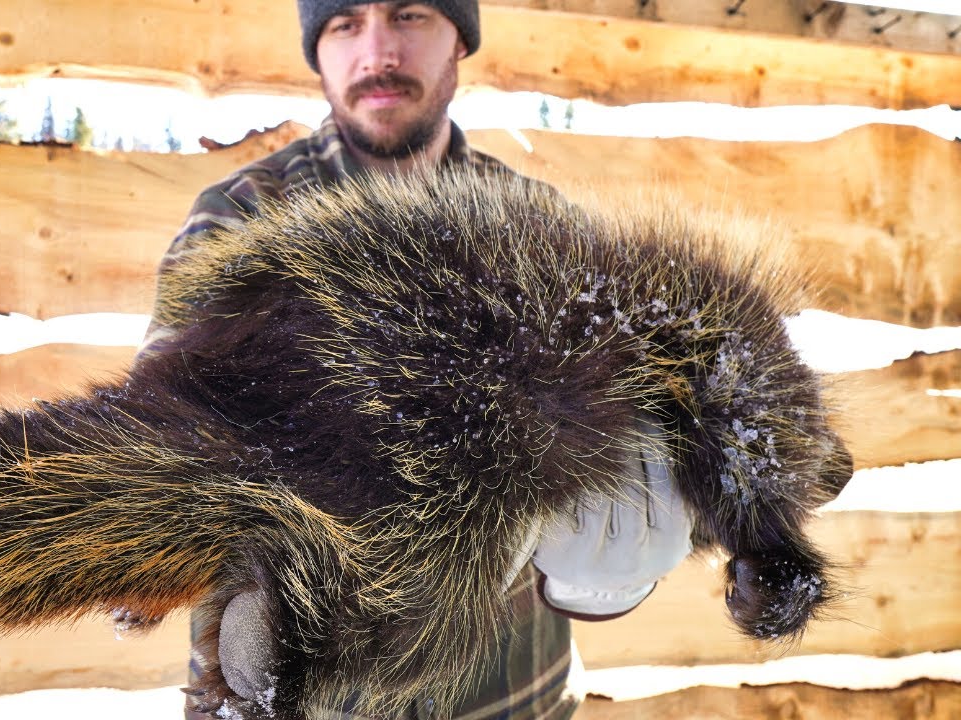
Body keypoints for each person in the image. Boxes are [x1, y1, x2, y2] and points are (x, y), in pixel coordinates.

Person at [140, 3, 694, 717]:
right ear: (317, 51)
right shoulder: (241, 217)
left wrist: (603, 579)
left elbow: (626, 453)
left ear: (459, 39)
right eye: (345, 24)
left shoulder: (542, 226)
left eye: (409, 14)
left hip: (511, 693)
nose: (378, 51)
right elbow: (160, 441)